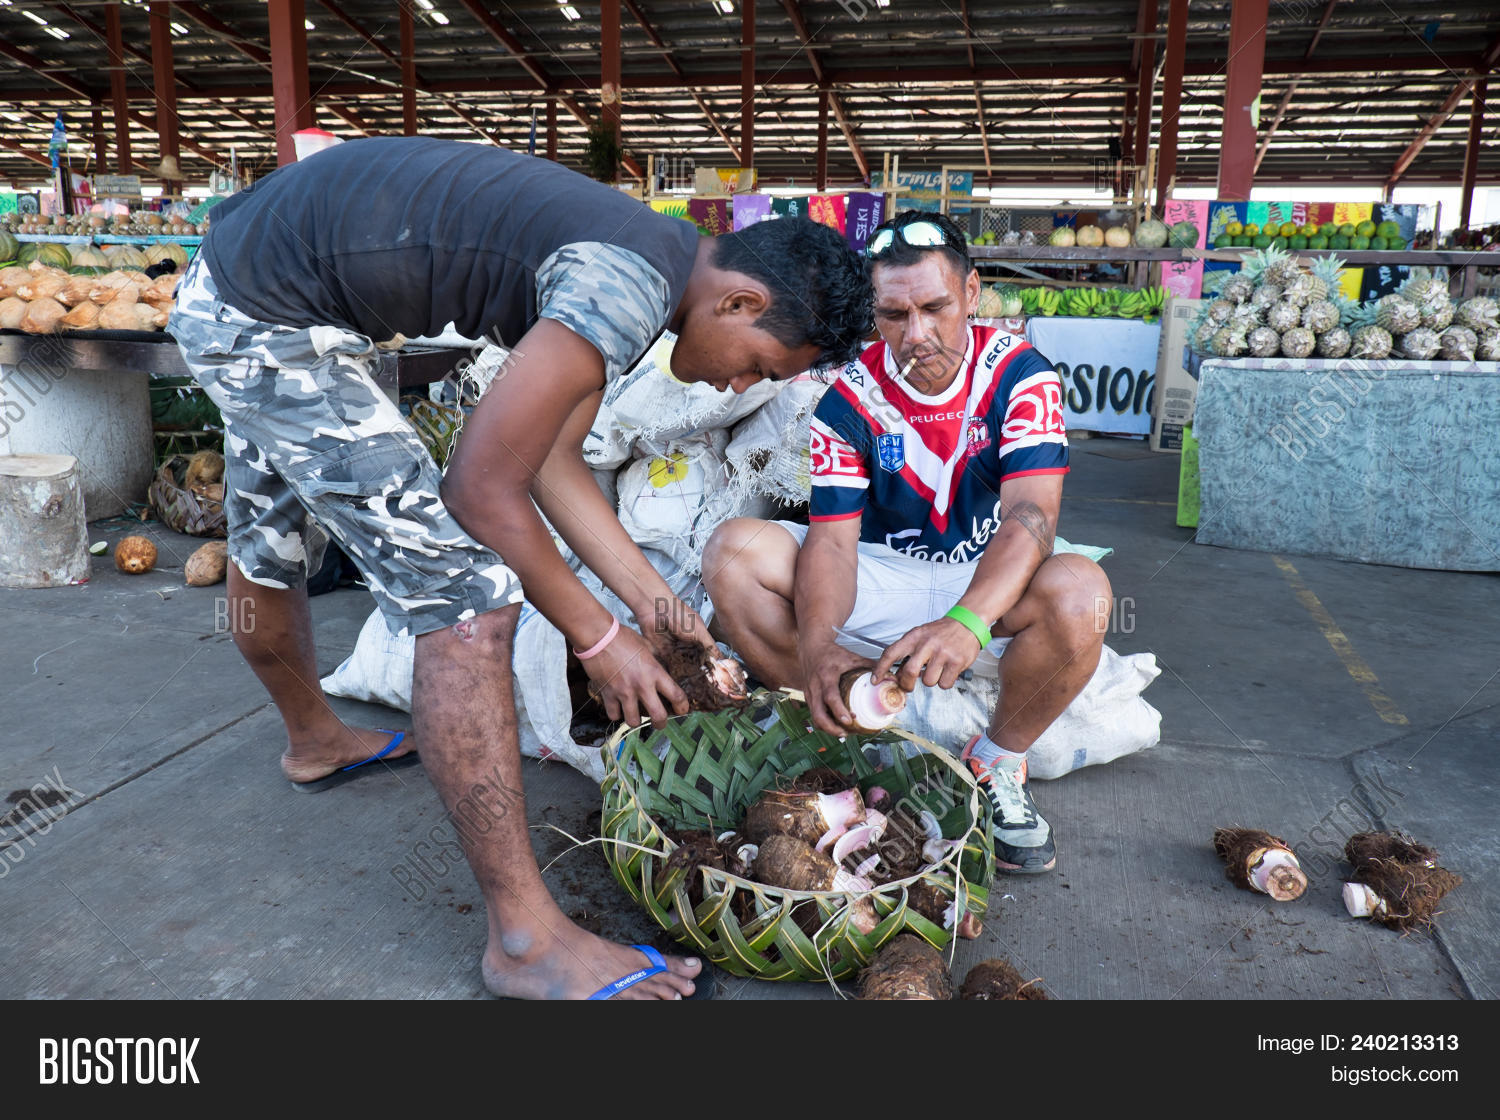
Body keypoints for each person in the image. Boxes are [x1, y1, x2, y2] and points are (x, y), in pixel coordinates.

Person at [166, 136, 873, 999]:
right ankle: (525, 941)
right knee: (468, 596)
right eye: (758, 367)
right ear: (738, 299)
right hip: (266, 316)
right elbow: (481, 485)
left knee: (267, 545)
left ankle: (316, 741)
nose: (737, 390)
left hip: (243, 284)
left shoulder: (647, 265)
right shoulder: (625, 284)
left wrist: (653, 608)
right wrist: (598, 637)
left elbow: (551, 460)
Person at [703, 210, 1111, 875]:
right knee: (732, 555)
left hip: (980, 578)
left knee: (1084, 593)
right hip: (880, 573)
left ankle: (998, 761)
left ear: (972, 294)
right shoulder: (850, 397)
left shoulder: (1021, 374)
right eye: (894, 315)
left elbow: (1030, 518)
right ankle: (837, 730)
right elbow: (832, 544)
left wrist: (966, 623)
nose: (916, 334)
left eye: (935, 307)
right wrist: (818, 645)